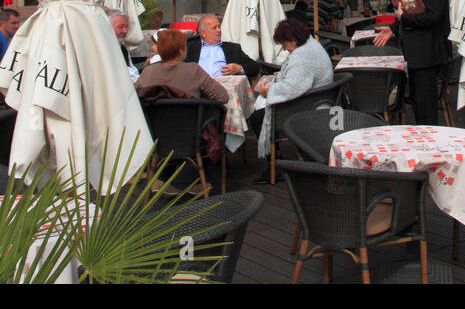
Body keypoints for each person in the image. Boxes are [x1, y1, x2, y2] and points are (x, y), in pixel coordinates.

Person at [372, 0, 450, 125]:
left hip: (427, 54)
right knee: (418, 102)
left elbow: (433, 17)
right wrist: (392, 29)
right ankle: (423, 137)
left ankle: (429, 141)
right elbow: (412, 11)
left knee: (426, 106)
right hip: (418, 54)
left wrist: (403, 18)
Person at [250, 18, 334, 183]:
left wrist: (268, 90)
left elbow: (292, 88)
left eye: (284, 43)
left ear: (294, 40)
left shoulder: (303, 57)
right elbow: (297, 80)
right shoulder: (311, 45)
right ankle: (277, 160)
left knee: (257, 118)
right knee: (259, 112)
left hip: (309, 105)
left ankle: (274, 166)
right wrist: (276, 78)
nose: (283, 47)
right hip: (318, 98)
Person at [135, 29, 230, 103]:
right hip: (192, 124)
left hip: (154, 125)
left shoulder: (148, 72)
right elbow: (223, 97)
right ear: (181, 51)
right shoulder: (194, 70)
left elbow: (133, 96)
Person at [186, 14, 257, 78]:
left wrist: (239, 68)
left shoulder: (232, 48)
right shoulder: (190, 48)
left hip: (223, 89)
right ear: (203, 33)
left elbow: (254, 67)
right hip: (197, 88)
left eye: (219, 27)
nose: (219, 30)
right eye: (214, 28)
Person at [107, 10, 141, 83]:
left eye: (126, 27)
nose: (125, 31)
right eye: (121, 27)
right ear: (108, 27)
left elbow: (131, 70)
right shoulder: (104, 49)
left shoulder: (122, 48)